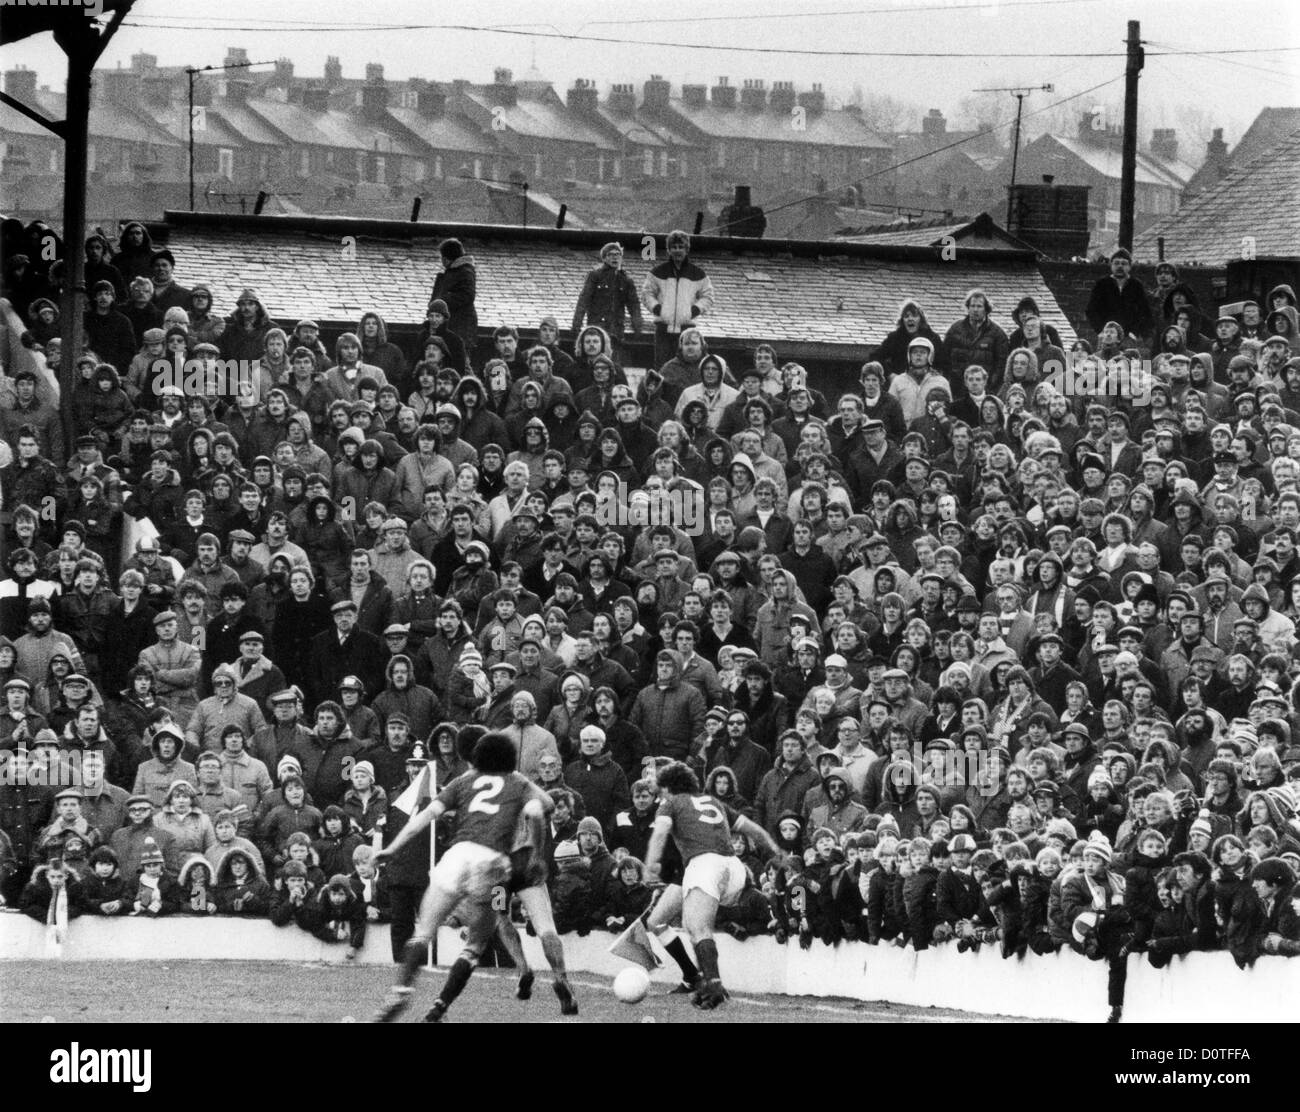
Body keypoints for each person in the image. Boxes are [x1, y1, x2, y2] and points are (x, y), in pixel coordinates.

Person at [372, 730, 568, 1023]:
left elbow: (422, 819)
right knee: (494, 938)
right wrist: (538, 855)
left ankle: (402, 990)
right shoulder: (517, 782)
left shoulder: (462, 782)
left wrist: (390, 849)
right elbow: (541, 811)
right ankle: (554, 977)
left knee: (427, 931)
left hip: (458, 857)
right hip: (510, 869)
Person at [643, 760, 779, 1009]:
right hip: (732, 866)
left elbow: (660, 834)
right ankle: (696, 977)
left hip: (703, 865)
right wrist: (775, 852)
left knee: (697, 928)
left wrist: (650, 865)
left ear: (668, 787)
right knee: (660, 922)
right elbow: (754, 831)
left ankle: (713, 984)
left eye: (661, 787)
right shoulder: (715, 801)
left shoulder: (670, 803)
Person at [642, 230, 714, 370]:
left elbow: (708, 296)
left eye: (681, 247)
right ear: (668, 250)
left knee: (687, 366)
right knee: (661, 367)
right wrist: (658, 308)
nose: (677, 250)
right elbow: (646, 294)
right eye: (674, 247)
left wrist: (693, 310)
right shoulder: (657, 272)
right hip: (663, 329)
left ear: (687, 249)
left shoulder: (698, 274)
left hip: (687, 330)